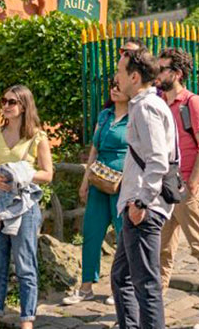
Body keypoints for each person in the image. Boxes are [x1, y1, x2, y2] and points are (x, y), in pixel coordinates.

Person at [156, 48, 199, 329]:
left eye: (162, 69)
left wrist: (193, 183)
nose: (157, 74)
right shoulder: (157, 102)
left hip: (188, 187)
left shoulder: (193, 104)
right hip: (163, 187)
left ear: (177, 74)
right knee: (161, 250)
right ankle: (153, 306)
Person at [111, 48, 176, 329]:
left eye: (119, 72)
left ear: (134, 77)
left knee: (146, 285)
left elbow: (158, 160)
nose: (115, 77)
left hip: (143, 208)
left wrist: (141, 203)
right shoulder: (143, 104)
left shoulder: (147, 107)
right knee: (121, 277)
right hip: (137, 204)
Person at [0, 85, 54, 329]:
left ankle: (27, 321)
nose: (5, 105)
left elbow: (48, 174)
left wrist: (22, 174)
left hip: (25, 206)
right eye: (3, 101)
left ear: (23, 105)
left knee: (25, 265)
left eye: (11, 102)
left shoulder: (37, 137)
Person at [63, 78, 129, 306]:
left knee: (123, 236)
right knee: (91, 233)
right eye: (113, 84)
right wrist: (85, 181)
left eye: (120, 84)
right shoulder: (105, 116)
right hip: (99, 181)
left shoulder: (135, 117)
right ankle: (86, 287)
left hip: (123, 184)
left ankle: (118, 288)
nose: (115, 88)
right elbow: (94, 150)